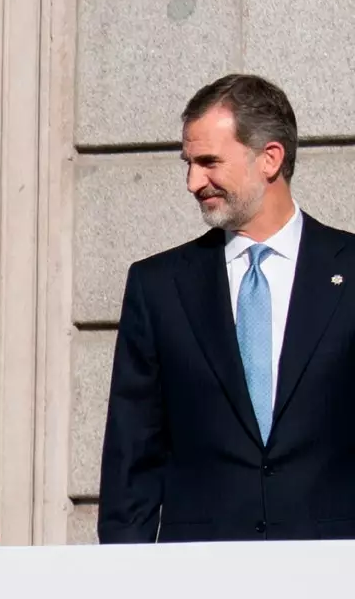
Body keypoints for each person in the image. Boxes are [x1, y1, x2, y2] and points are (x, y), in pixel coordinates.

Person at [99, 74, 355, 543]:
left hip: (335, 574)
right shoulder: (159, 286)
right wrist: (124, 580)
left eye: (209, 162)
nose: (194, 181)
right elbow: (131, 457)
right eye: (189, 163)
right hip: (200, 577)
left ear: (270, 159)